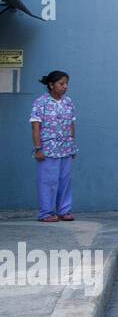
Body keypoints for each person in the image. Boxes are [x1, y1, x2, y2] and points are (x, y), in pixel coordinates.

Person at [30, 70, 77, 223]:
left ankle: (64, 211)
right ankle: (46, 213)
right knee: (48, 181)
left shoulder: (68, 102)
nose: (65, 87)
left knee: (65, 181)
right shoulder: (40, 102)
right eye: (61, 84)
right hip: (48, 148)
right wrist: (38, 148)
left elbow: (71, 124)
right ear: (51, 85)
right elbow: (36, 126)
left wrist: (72, 145)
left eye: (66, 84)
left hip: (65, 148)